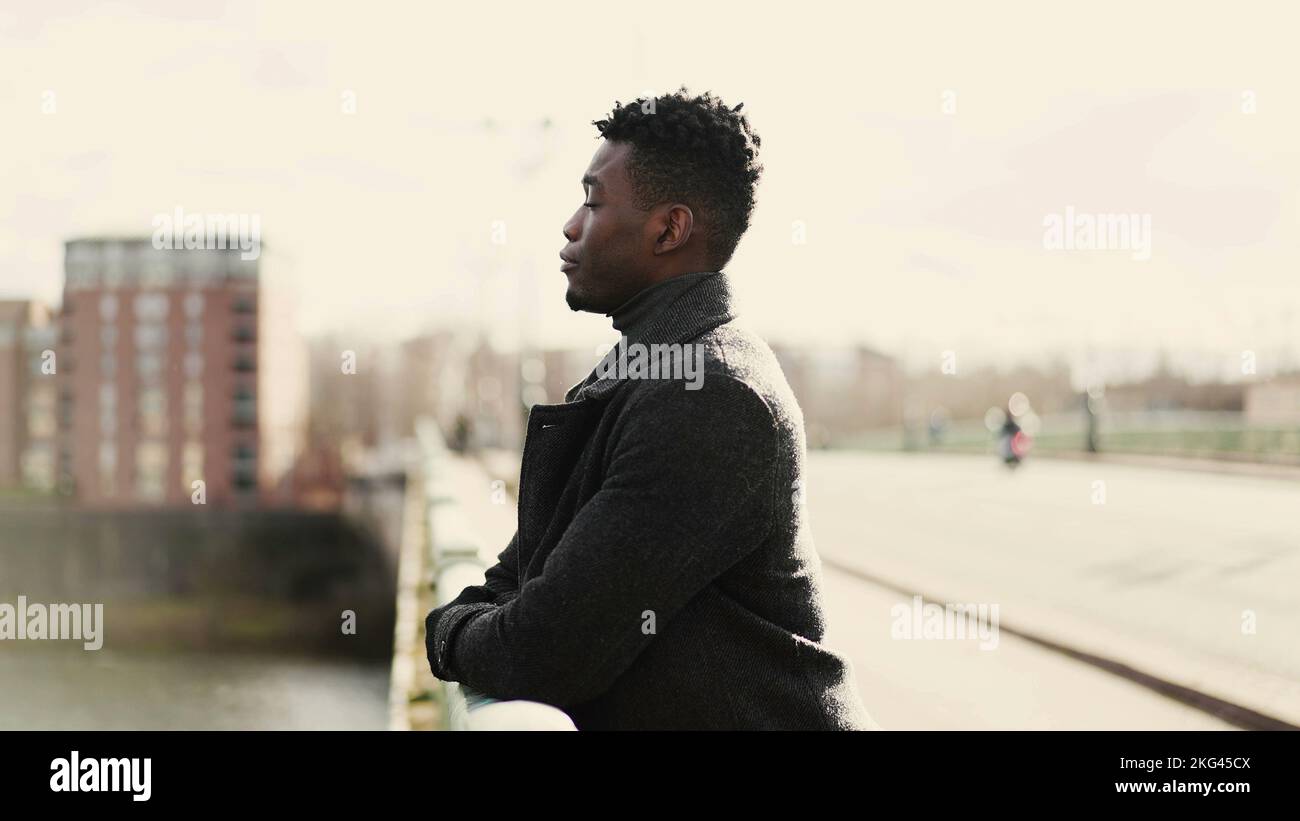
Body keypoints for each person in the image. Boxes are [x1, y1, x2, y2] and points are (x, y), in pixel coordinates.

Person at [424, 87, 876, 730]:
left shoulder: (711, 396)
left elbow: (544, 649)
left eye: (592, 200)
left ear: (669, 229)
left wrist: (445, 633)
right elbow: (520, 577)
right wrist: (479, 620)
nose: (570, 225)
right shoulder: (645, 371)